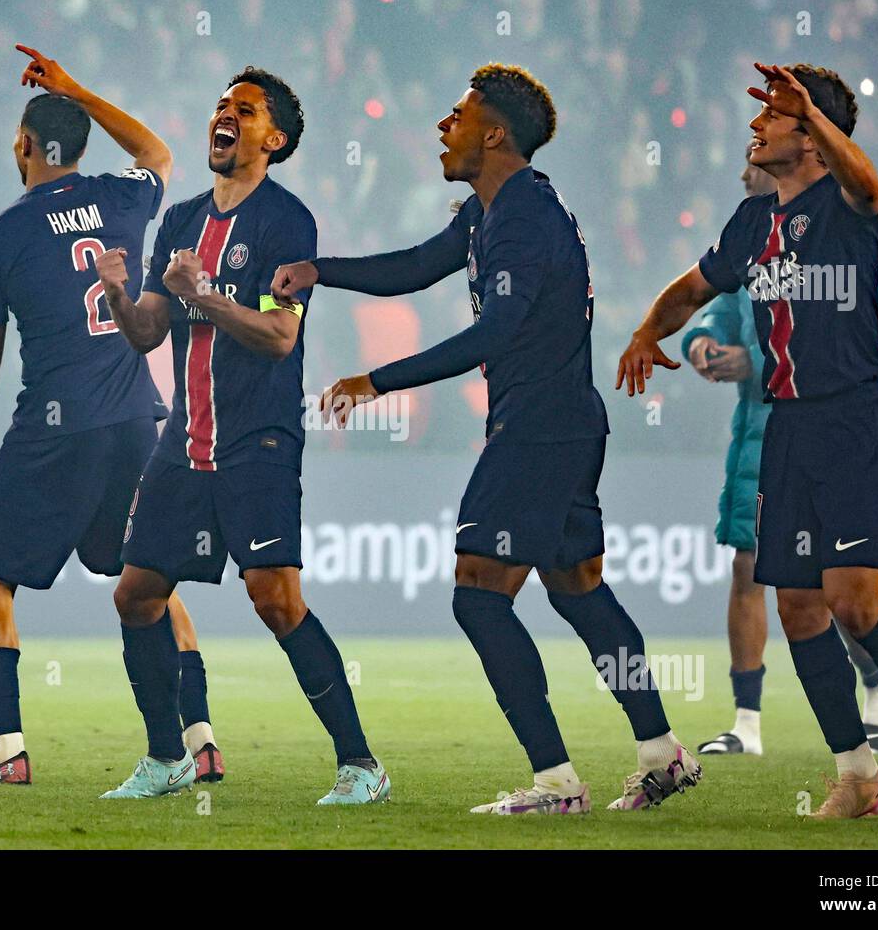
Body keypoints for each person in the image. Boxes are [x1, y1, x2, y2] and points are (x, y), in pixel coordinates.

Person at [275, 64, 701, 815]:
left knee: (478, 594)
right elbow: (414, 266)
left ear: (495, 133)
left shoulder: (525, 219)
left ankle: (555, 783)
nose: (444, 127)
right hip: (565, 424)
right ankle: (661, 752)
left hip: (538, 429)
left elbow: (493, 333)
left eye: (457, 115)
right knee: (579, 592)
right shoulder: (490, 212)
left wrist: (375, 381)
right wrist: (321, 271)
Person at [617, 62, 878, 818]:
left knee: (852, 603)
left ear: (812, 135)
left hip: (852, 419)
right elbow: (691, 289)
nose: (756, 125)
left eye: (774, 115)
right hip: (787, 426)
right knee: (799, 609)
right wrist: (649, 330)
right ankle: (858, 774)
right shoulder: (752, 222)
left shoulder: (848, 201)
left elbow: (870, 184)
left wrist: (813, 108)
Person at [93, 67, 388, 805]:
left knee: (276, 599)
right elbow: (150, 332)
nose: (224, 114)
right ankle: (169, 759)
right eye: (221, 103)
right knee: (135, 595)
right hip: (183, 445)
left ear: (273, 138)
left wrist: (204, 295)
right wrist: (120, 294)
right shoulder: (183, 219)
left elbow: (280, 337)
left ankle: (361, 766)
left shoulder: (286, 223)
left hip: (256, 439)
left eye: (245, 109)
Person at [0, 46, 216, 785]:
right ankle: (200, 739)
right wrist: (77, 90)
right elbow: (157, 150)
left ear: (26, 146)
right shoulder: (123, 196)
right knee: (150, 579)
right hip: (137, 420)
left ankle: (9, 754)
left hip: (54, 429)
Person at [687, 147, 878, 757]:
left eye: (752, 164)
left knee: (836, 590)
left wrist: (751, 361)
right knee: (747, 571)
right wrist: (702, 345)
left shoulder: (840, 228)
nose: (744, 171)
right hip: (758, 438)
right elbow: (718, 308)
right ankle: (747, 725)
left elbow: (861, 326)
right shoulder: (753, 238)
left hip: (825, 432)